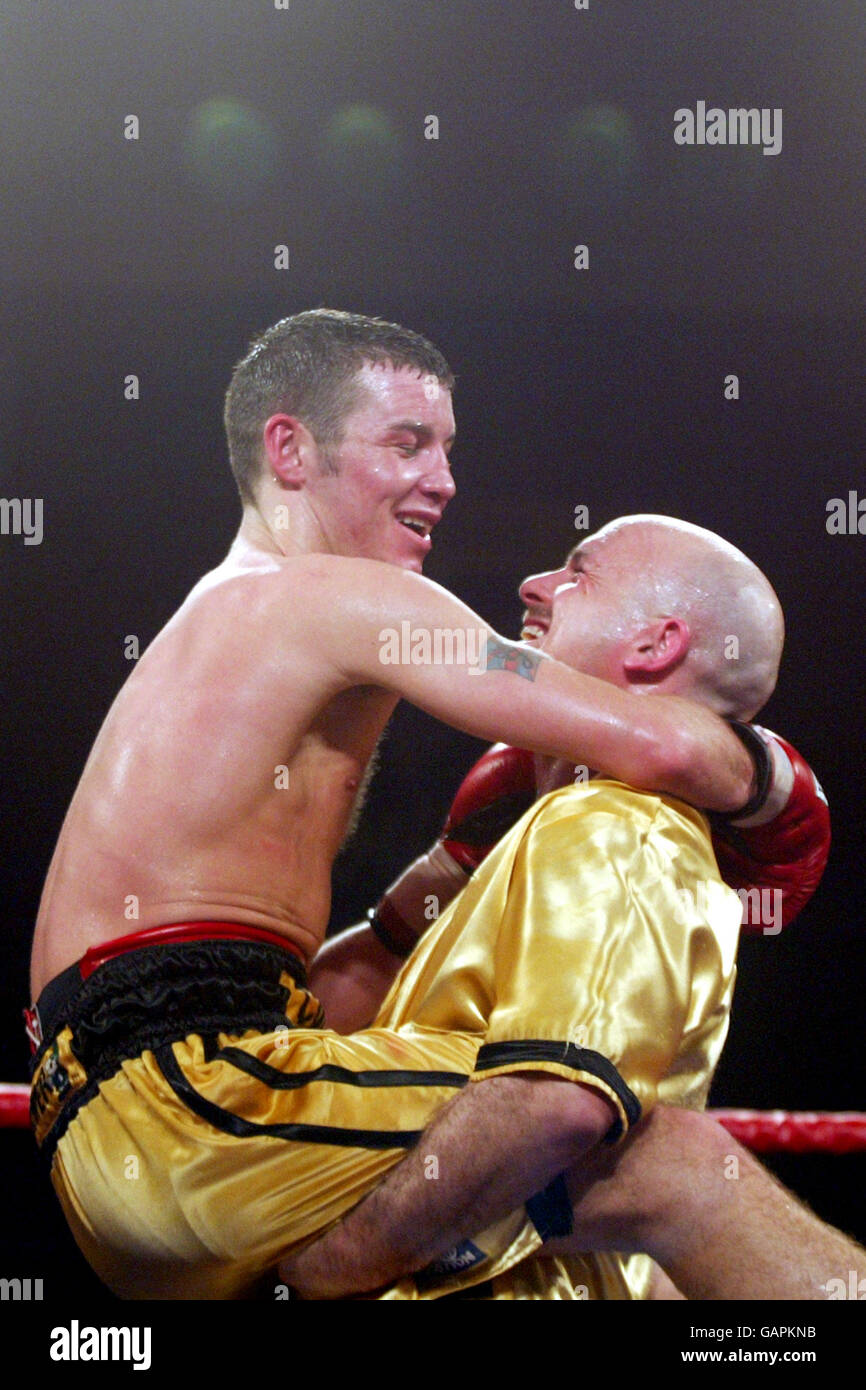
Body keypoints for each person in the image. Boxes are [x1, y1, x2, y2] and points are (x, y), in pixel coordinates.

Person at [28, 311, 775, 1300]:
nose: (444, 480)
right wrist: (770, 791)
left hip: (136, 1125)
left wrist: (435, 883)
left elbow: (294, 986)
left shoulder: (237, 613)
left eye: (449, 450)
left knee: (521, 1205)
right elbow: (654, 738)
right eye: (406, 443)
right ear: (289, 449)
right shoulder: (335, 596)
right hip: (189, 1104)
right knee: (639, 1145)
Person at [280, 516, 860, 1301]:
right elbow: (348, 1010)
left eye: (577, 573)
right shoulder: (528, 834)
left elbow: (554, 1109)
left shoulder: (622, 824)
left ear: (656, 646)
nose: (533, 585)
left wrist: (328, 1272)